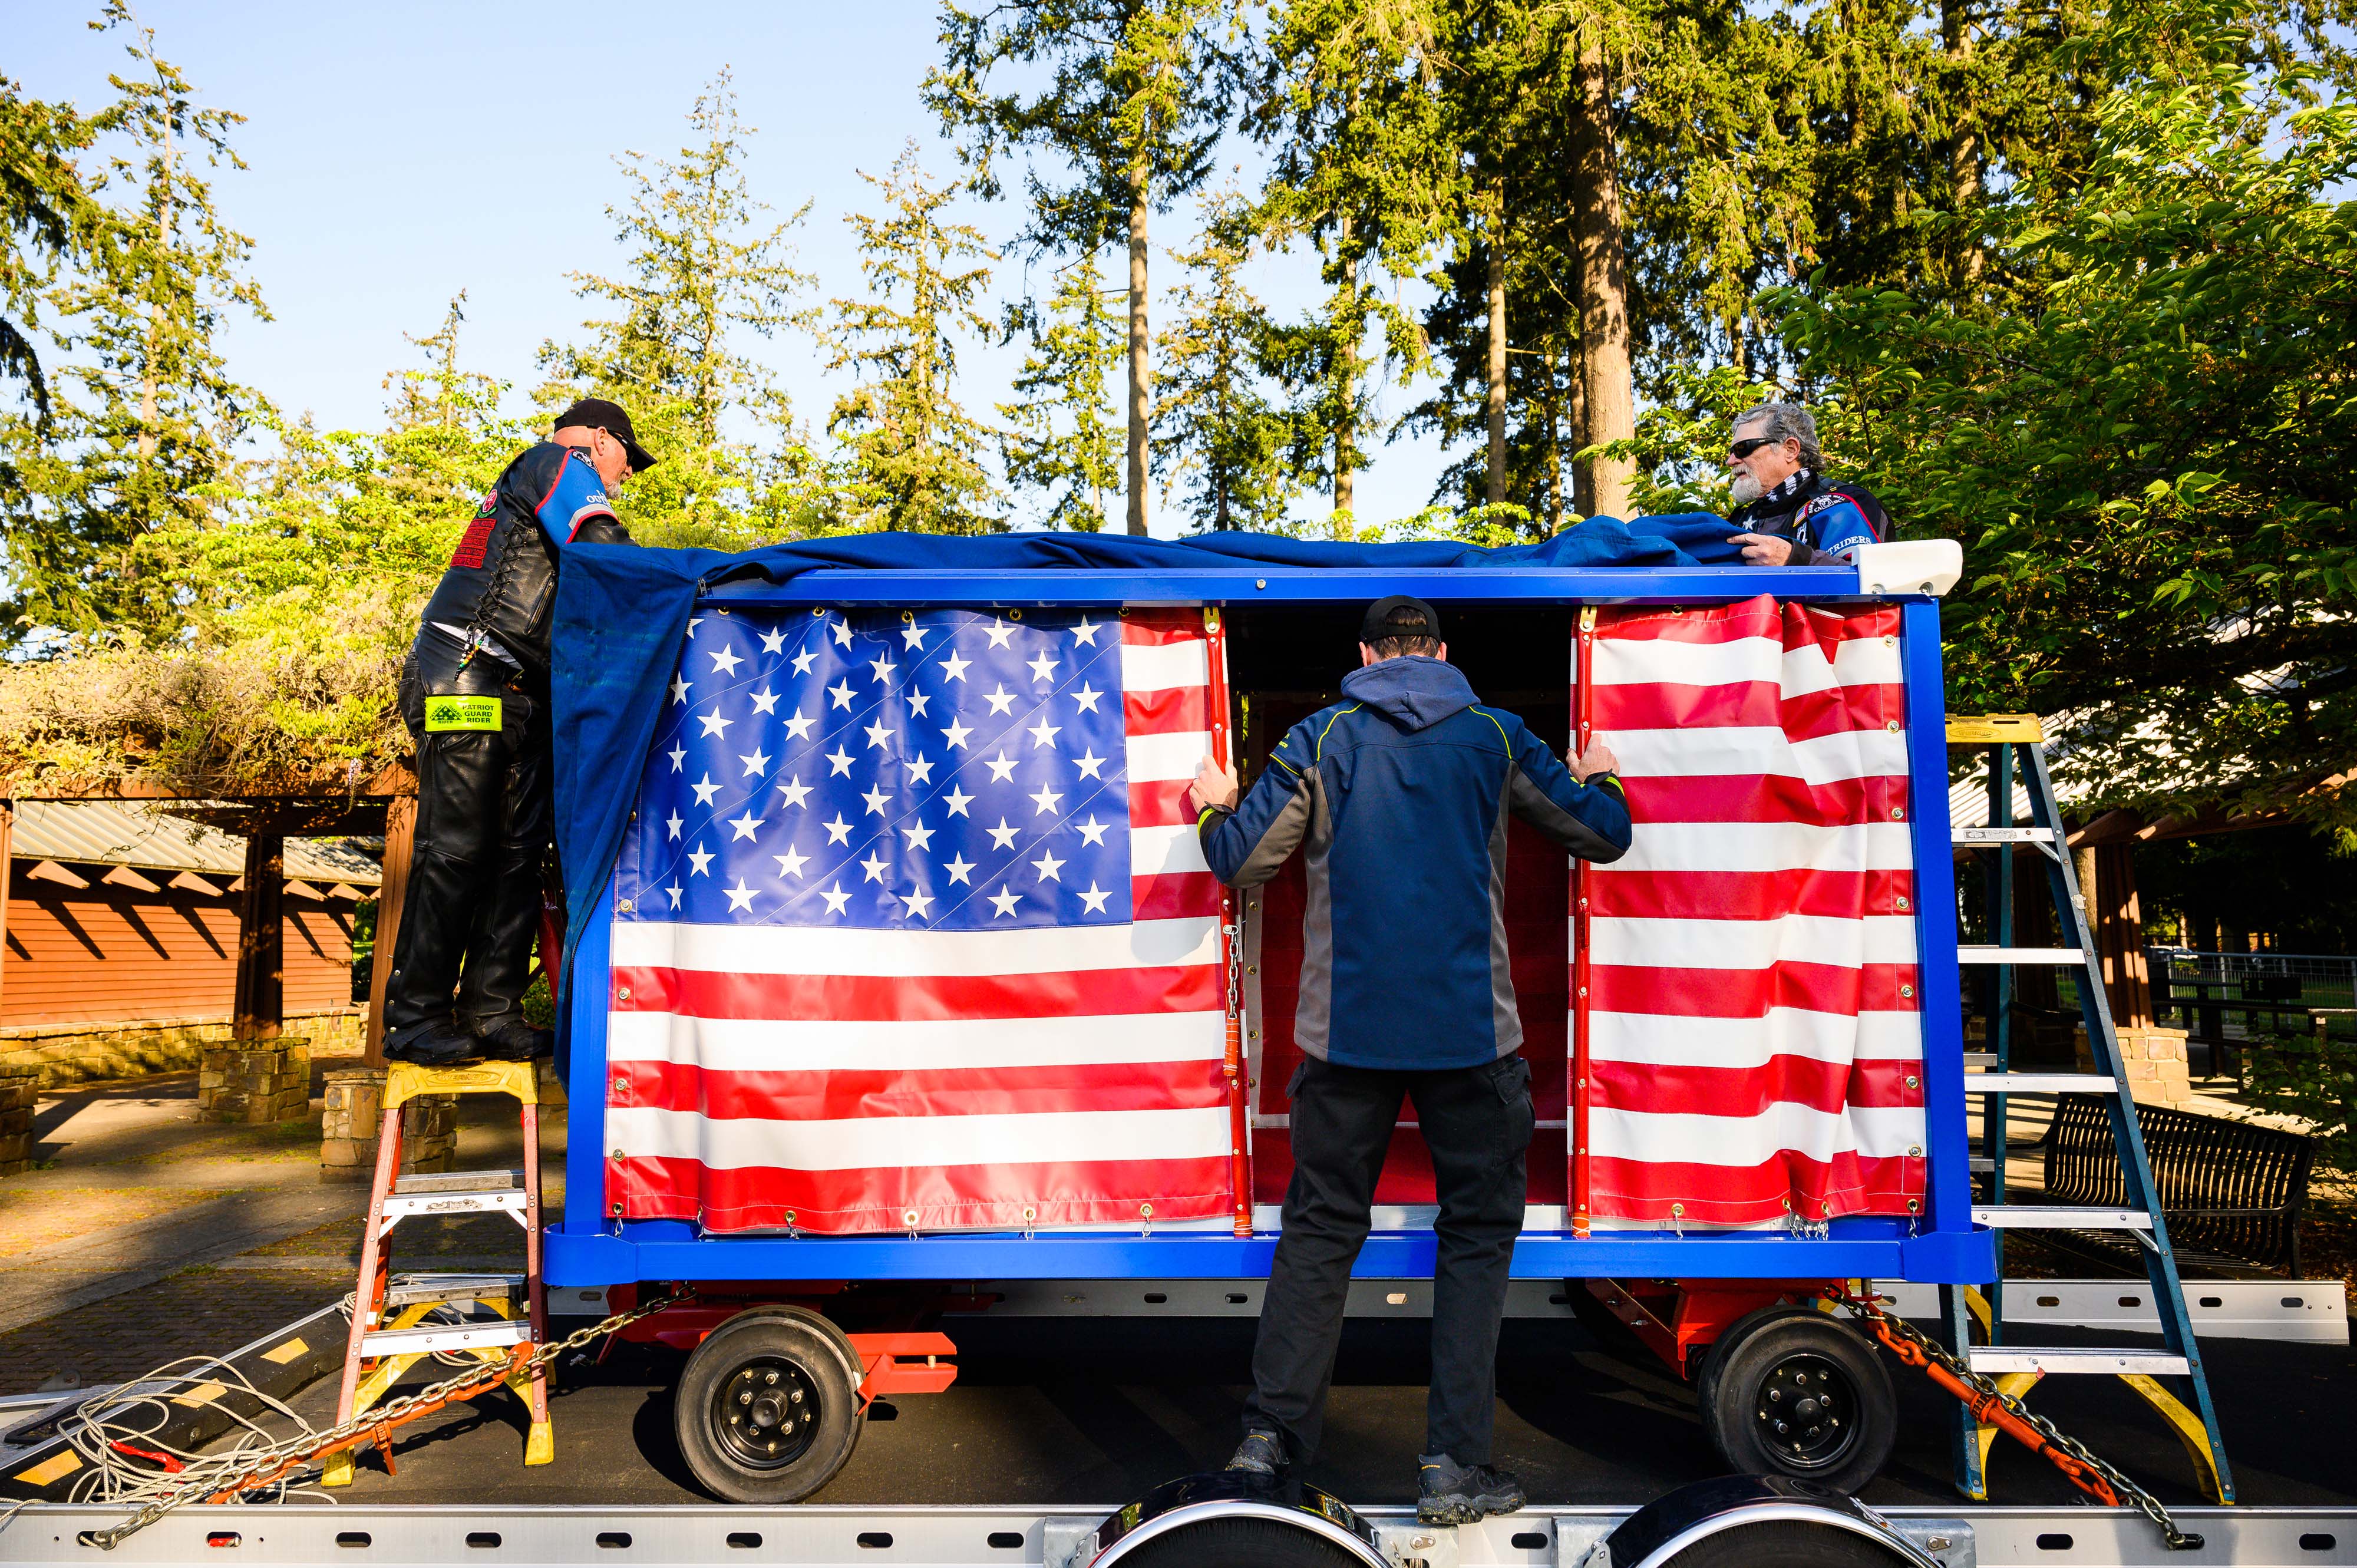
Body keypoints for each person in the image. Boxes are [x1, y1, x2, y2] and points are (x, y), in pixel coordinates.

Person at [1186, 596, 1632, 1525]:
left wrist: (1211, 803)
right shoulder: (1497, 735)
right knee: (1474, 1239)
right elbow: (1602, 832)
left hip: (1345, 1042)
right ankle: (1454, 1469)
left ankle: (1269, 1447)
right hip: (1475, 1040)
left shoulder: (1320, 735)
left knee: (1318, 1236)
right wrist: (1609, 778)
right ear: (1441, 650)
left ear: (1364, 653)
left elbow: (1239, 860)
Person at [381, 398, 652, 1065]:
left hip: (520, 690)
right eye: (626, 456)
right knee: (457, 846)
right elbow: (604, 552)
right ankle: (414, 1019)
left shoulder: (549, 479)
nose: (626, 474)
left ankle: (490, 1010)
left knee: (518, 853)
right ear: (598, 438)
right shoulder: (555, 461)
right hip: (464, 673)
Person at [1723, 400, 1893, 565]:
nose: (1731, 461)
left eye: (1742, 449)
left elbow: (1869, 578)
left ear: (1790, 450)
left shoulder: (1842, 504)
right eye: (1731, 452)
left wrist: (1794, 558)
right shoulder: (1741, 519)